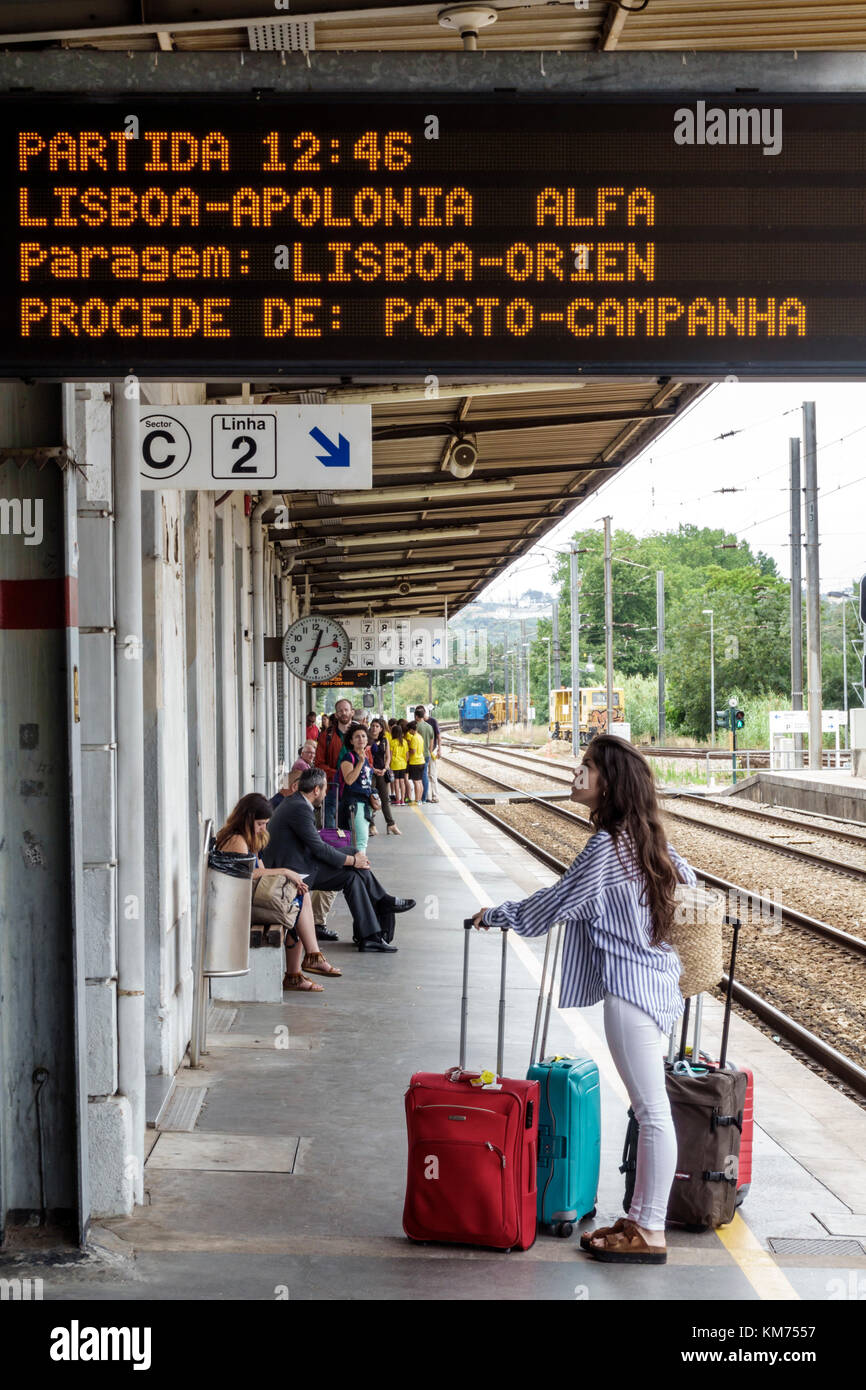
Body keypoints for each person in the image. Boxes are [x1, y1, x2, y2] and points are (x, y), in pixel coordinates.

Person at [471, 735, 697, 1266]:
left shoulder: (606, 847)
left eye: (588, 767)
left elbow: (560, 901)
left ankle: (651, 1228)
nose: (578, 774)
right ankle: (641, 1219)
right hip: (657, 985)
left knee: (651, 1112)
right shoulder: (643, 840)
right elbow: (685, 879)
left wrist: (498, 912)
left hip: (630, 992)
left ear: (610, 782)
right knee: (649, 1110)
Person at [263, 768, 416, 953]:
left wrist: (352, 857)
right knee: (352, 873)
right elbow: (319, 849)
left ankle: (371, 931)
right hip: (295, 873)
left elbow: (316, 846)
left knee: (352, 857)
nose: (326, 793)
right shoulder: (300, 808)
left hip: (298, 863)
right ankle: (375, 920)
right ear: (316, 790)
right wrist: (352, 861)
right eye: (325, 789)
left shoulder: (295, 803)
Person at [215, 793, 341, 993]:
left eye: (266, 823)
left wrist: (290, 880)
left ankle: (300, 969)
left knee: (299, 897)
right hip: (239, 906)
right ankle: (307, 962)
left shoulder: (248, 836)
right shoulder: (236, 840)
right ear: (247, 818)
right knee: (296, 906)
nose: (264, 828)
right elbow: (248, 875)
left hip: (249, 899)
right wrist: (285, 872)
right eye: (260, 823)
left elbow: (260, 867)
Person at [337, 723, 381, 855]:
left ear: (367, 740)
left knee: (359, 840)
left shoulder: (365, 758)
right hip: (354, 803)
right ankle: (361, 870)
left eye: (363, 736)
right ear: (351, 741)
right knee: (360, 840)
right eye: (357, 737)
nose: (361, 739)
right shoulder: (349, 758)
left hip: (365, 803)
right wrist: (360, 763)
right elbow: (349, 780)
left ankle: (357, 868)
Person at [315, 698, 354, 829]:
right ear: (336, 715)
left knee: (353, 824)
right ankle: (332, 848)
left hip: (355, 787)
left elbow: (368, 761)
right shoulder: (326, 736)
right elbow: (319, 763)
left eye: (346, 710)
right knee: (330, 823)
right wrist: (338, 774)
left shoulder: (360, 735)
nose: (344, 713)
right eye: (340, 711)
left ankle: (351, 848)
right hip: (333, 786)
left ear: (352, 712)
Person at [368, 718, 399, 835]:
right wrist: (373, 769)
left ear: (381, 729)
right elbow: (364, 757)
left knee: (385, 799)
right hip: (370, 773)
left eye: (377, 726)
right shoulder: (367, 739)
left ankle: (391, 824)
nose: (374, 728)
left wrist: (385, 768)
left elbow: (388, 756)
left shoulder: (385, 739)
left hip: (382, 772)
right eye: (373, 725)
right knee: (370, 799)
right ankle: (371, 825)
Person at [413, 705, 435, 802]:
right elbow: (432, 741)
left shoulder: (416, 726)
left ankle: (420, 797)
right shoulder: (429, 727)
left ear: (416, 716)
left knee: (418, 778)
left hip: (418, 755)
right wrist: (429, 752)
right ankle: (424, 797)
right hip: (427, 754)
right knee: (425, 775)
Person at [388, 720, 409, 806]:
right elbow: (407, 755)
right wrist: (404, 761)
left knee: (396, 782)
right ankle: (403, 800)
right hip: (403, 764)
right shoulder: (404, 742)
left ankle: (397, 800)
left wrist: (388, 764)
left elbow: (390, 754)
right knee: (402, 782)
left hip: (395, 764)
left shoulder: (392, 742)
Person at [405, 720, 426, 804]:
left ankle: (417, 800)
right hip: (421, 761)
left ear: (411, 729)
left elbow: (413, 751)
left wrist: (407, 750)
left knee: (416, 781)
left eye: (409, 730)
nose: (409, 732)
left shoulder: (414, 738)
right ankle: (419, 799)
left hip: (415, 762)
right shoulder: (420, 737)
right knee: (420, 781)